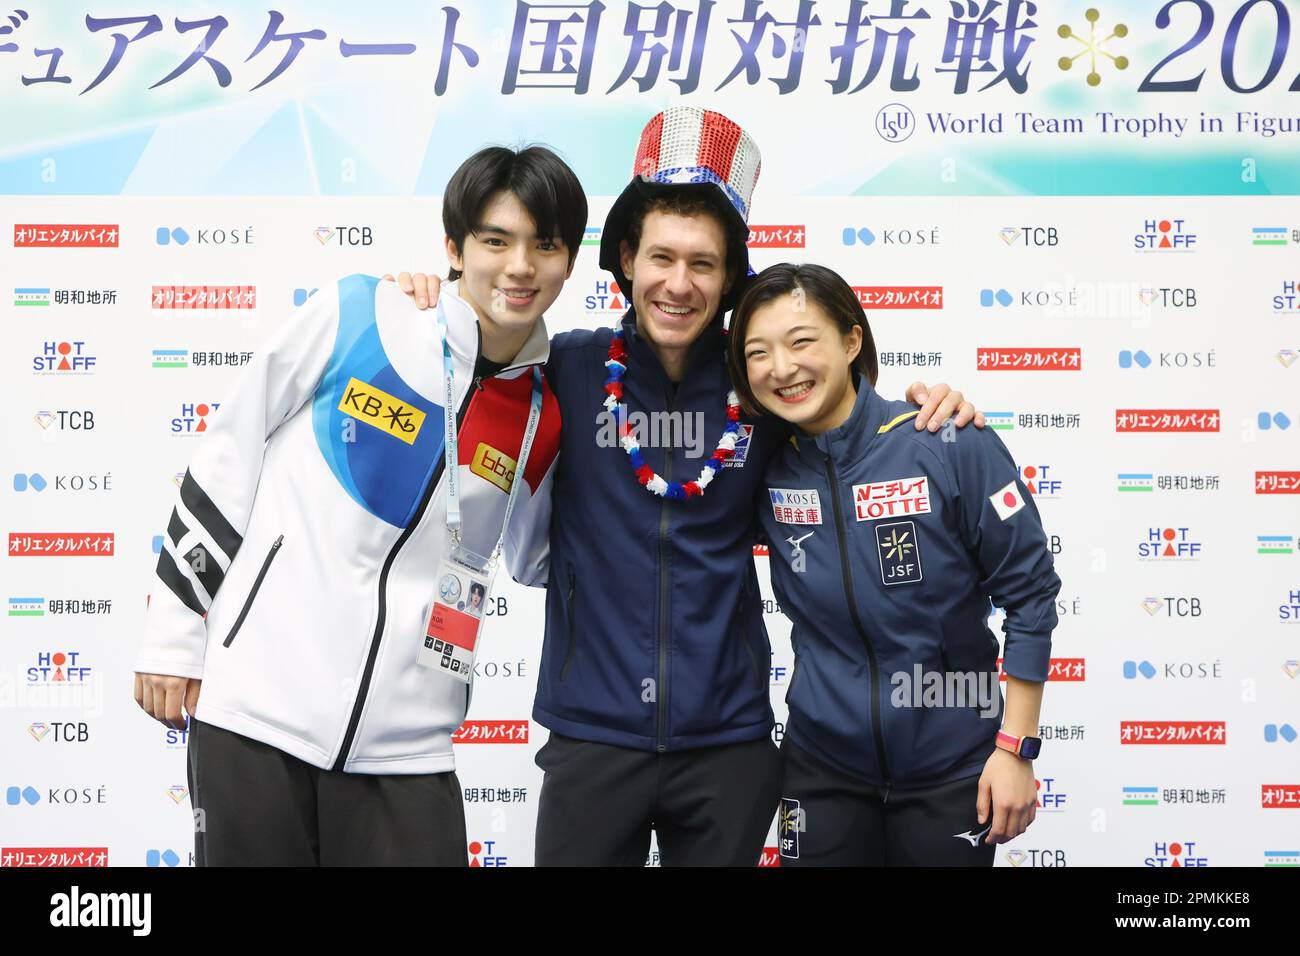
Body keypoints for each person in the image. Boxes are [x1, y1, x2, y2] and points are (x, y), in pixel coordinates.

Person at [393, 107, 986, 866]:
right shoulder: (565, 370)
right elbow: (468, 348)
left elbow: (851, 434)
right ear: (626, 261)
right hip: (591, 738)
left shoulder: (764, 393)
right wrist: (419, 300)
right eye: (661, 258)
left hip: (729, 748)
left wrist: (933, 412)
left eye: (703, 264)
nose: (679, 284)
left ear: (731, 276)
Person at [131, 144, 584, 865]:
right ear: (454, 247)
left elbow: (538, 561)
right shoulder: (363, 312)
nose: (520, 266)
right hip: (257, 716)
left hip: (409, 751)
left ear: (570, 259)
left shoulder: (543, 415)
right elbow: (227, 454)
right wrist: (173, 635)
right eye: (496, 240)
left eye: (545, 245)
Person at [726, 263, 1060, 866]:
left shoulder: (947, 438)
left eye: (802, 341)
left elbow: (1031, 594)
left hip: (952, 769)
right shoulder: (758, 464)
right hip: (820, 770)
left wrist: (1015, 748)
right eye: (758, 352)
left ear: (852, 341)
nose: (781, 367)